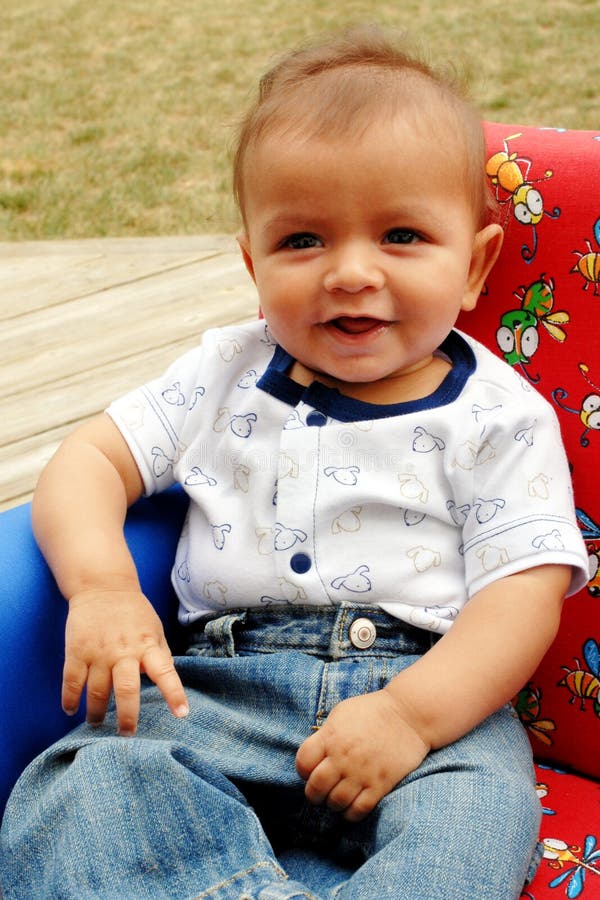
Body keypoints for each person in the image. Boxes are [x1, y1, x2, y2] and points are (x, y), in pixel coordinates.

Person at [0, 25, 589, 900]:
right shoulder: (221, 374)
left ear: (475, 265)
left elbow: (523, 593)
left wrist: (408, 717)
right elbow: (89, 459)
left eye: (400, 235)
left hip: (430, 714)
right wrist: (103, 588)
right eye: (303, 242)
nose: (350, 272)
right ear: (253, 262)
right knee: (80, 783)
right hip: (217, 691)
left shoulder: (499, 416)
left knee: (473, 828)